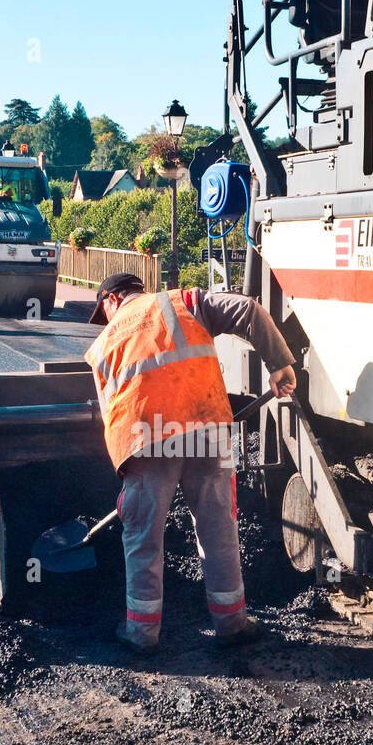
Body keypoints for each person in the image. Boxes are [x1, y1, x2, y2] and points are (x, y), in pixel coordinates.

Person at [85, 272, 298, 654]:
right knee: (218, 528)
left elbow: (110, 416)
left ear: (112, 300)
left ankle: (141, 634)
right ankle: (232, 623)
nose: (106, 321)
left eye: (103, 312)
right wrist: (279, 363)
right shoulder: (183, 301)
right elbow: (247, 309)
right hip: (207, 429)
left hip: (146, 442)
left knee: (143, 538)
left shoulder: (101, 347)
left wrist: (126, 477)